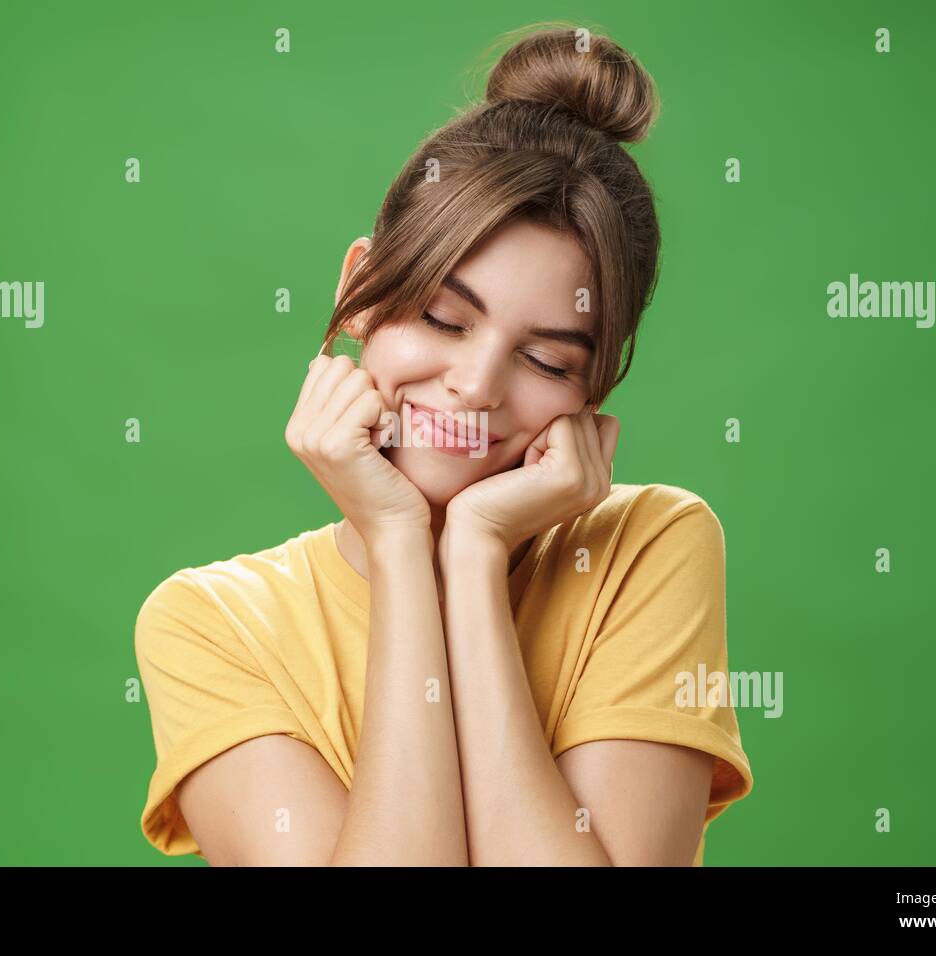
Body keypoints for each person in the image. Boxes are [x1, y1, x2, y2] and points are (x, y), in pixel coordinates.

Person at [135, 21, 753, 866]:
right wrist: (398, 545)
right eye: (442, 318)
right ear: (359, 290)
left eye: (543, 359)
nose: (476, 385)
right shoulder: (211, 626)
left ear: (591, 391)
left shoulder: (648, 549)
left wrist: (473, 556)